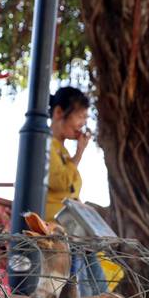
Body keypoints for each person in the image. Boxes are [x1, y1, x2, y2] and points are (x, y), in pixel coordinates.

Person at [45, 86, 91, 221]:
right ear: (59, 112)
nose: (82, 124)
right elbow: (61, 183)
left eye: (85, 118)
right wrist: (79, 153)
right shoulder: (45, 144)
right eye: (80, 116)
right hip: (50, 228)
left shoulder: (62, 151)